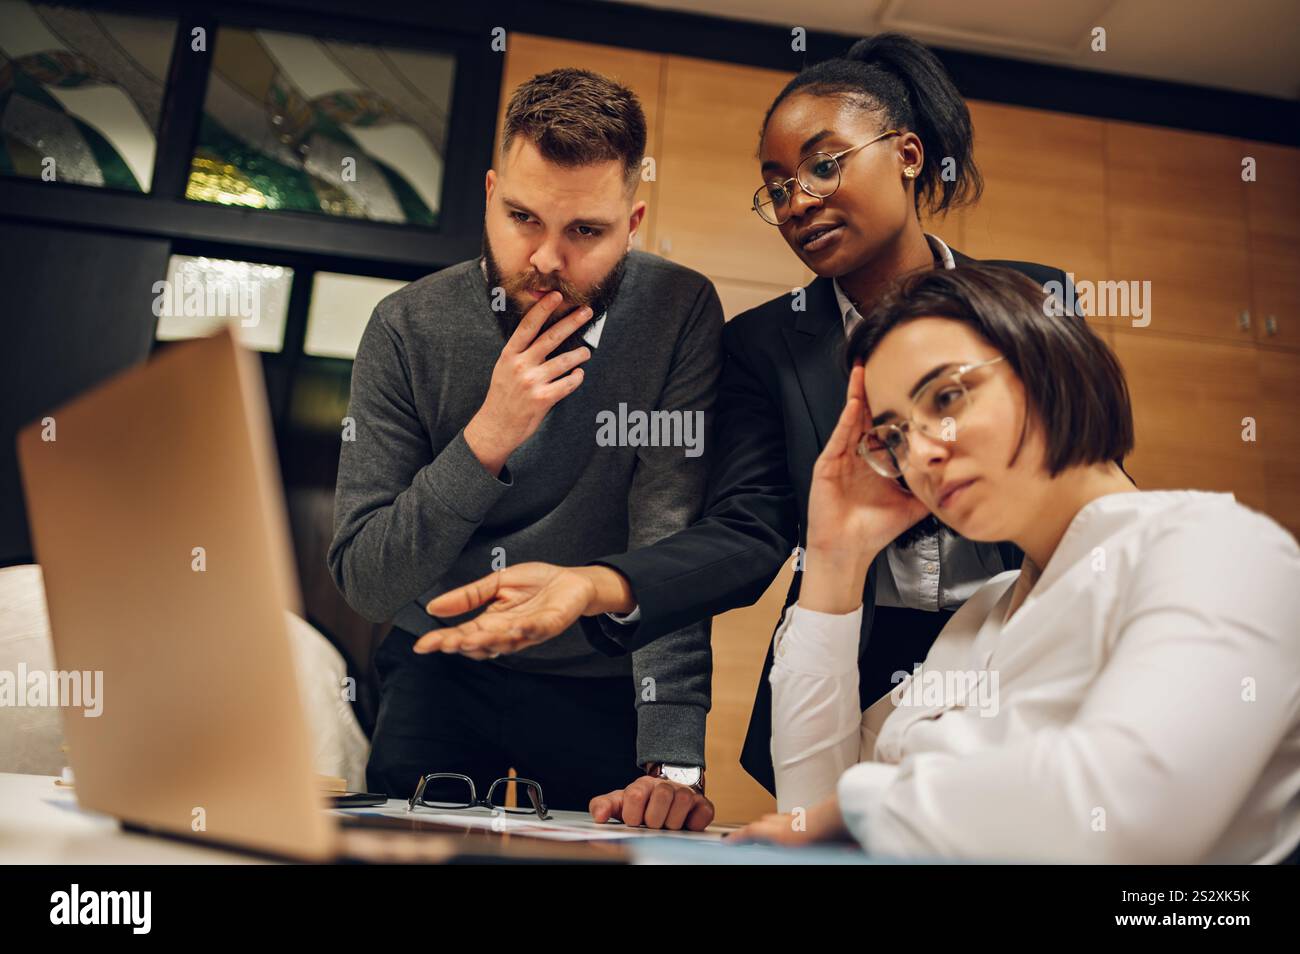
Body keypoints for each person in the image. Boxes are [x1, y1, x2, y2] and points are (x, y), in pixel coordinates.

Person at [417, 33, 1091, 800]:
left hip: (1022, 632)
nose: (799, 201)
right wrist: (599, 584)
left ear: (907, 155)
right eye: (777, 187)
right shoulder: (761, 347)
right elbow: (748, 530)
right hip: (852, 665)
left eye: (824, 165)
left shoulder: (1036, 300)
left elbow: (1087, 476)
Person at [731, 264, 1300, 863]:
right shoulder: (984, 610)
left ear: (1048, 359)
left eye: (946, 396)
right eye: (895, 436)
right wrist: (832, 560)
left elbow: (1122, 814)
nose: (920, 452)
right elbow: (809, 816)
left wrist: (861, 805)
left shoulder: (1218, 548)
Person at [327, 68, 719, 828]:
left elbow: (669, 539)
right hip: (436, 659)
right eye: (521, 217)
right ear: (488, 193)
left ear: (632, 222)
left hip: (600, 675)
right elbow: (368, 583)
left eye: (585, 232)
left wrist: (672, 761)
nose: (545, 259)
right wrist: (488, 439)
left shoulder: (677, 311)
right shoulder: (406, 327)